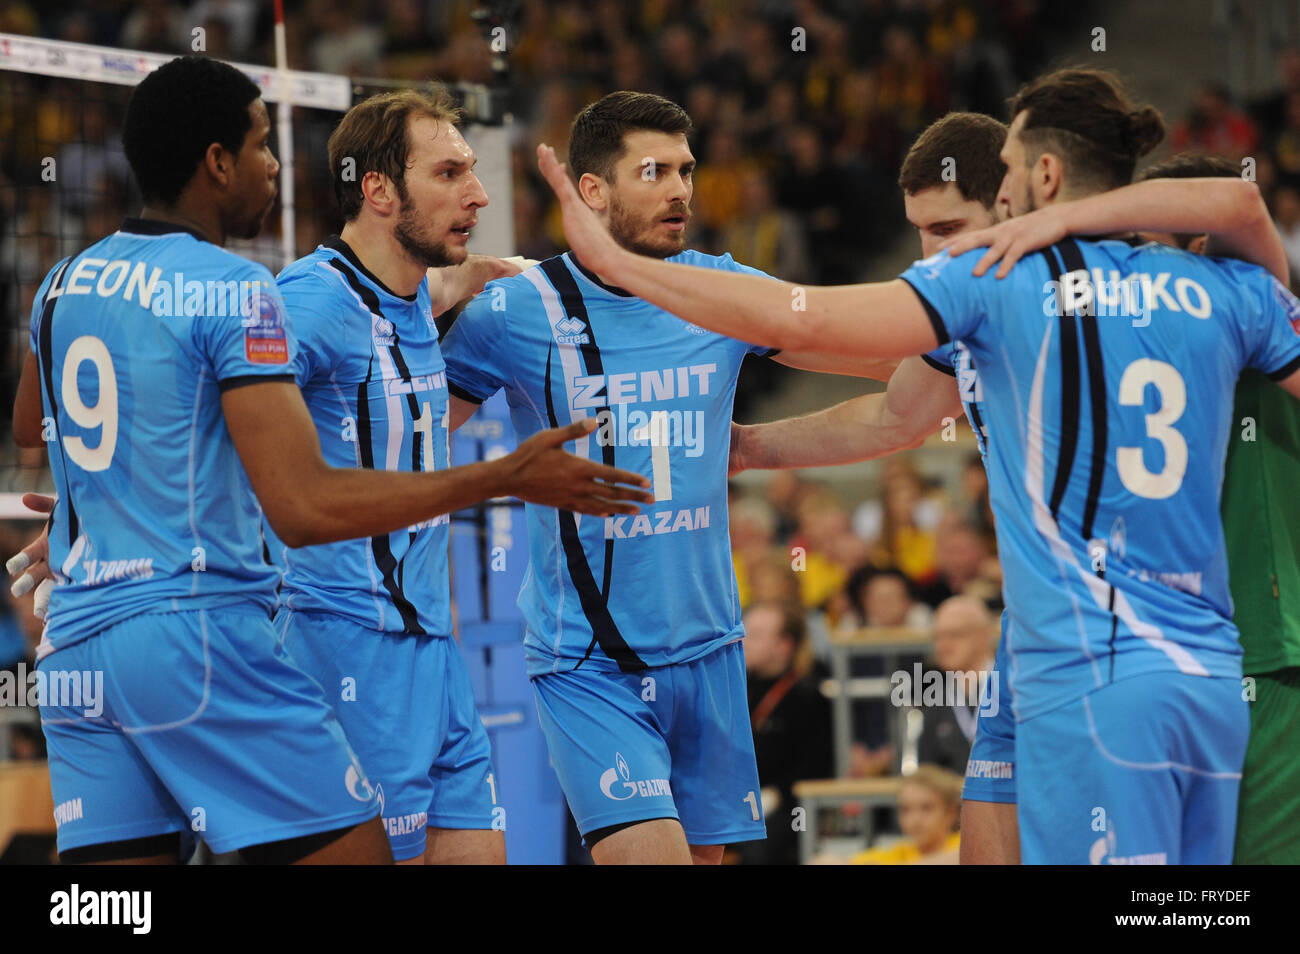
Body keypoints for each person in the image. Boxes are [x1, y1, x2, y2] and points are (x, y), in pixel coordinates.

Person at [539, 67, 1300, 864]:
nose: (932, 251)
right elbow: (897, 415)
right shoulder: (1223, 291)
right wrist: (750, 446)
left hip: (1095, 660)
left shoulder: (993, 282)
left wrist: (620, 269)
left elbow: (802, 315)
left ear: (1034, 183)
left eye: (999, 183)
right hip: (1191, 665)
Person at [8, 56, 650, 866]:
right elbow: (292, 487)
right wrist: (508, 475)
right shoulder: (280, 296)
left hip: (396, 643)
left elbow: (41, 425)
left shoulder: (64, 279)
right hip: (315, 637)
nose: (478, 196)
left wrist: (101, 504)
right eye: (450, 173)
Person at [439, 91, 889, 865]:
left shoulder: (721, 289)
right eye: (655, 170)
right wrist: (436, 302)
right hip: (589, 661)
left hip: (712, 651)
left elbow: (881, 363)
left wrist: (751, 446)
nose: (681, 188)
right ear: (592, 190)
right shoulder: (518, 308)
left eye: (687, 168)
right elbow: (402, 441)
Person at [737, 600, 832, 866]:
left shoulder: (808, 696)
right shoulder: (736, 686)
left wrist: (776, 794)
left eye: (755, 635)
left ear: (784, 645)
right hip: (736, 796)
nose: (743, 640)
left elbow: (817, 766)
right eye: (744, 631)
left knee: (759, 848)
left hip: (789, 804)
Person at [916, 596, 996, 775]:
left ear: (983, 635)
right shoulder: (935, 700)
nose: (943, 646)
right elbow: (927, 772)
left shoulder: (1013, 689)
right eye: (937, 637)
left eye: (954, 635)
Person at [849, 765, 962, 865]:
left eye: (926, 808)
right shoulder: (900, 853)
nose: (915, 820)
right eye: (905, 809)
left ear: (951, 813)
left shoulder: (966, 847)